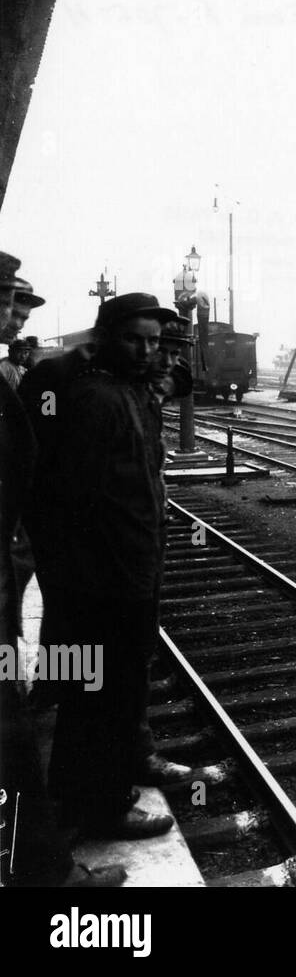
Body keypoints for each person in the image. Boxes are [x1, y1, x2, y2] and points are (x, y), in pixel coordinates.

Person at [29, 292, 192, 840]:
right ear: (106, 336)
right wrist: (86, 579)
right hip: (104, 579)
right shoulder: (97, 398)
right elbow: (73, 500)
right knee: (97, 696)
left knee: (114, 689)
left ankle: (105, 784)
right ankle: (97, 809)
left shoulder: (127, 390)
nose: (148, 350)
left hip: (129, 569)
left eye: (153, 341)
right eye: (135, 339)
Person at [0, 252, 125, 885]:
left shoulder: (27, 373)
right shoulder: (44, 379)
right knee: (16, 724)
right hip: (27, 539)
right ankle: (47, 869)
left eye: (21, 304)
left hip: (22, 540)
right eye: (11, 302)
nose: (17, 314)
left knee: (44, 666)